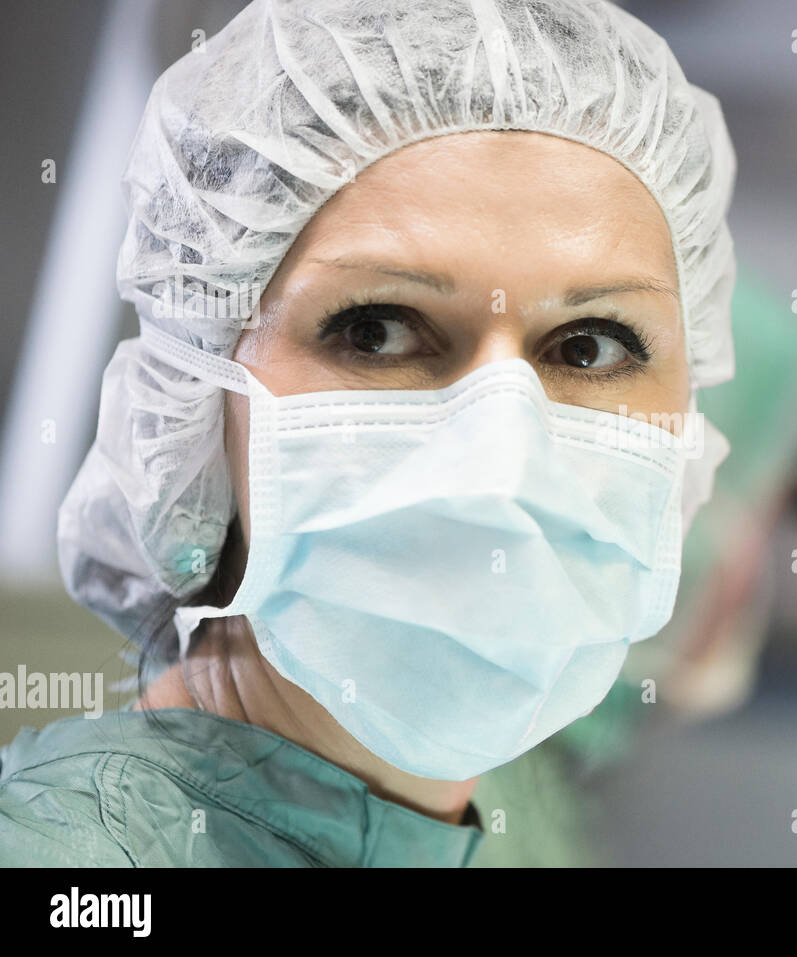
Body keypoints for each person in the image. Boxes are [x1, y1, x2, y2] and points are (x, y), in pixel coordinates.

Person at [0, 0, 737, 867]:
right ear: (198, 405)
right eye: (377, 330)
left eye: (591, 344)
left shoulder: (498, 832)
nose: (501, 462)